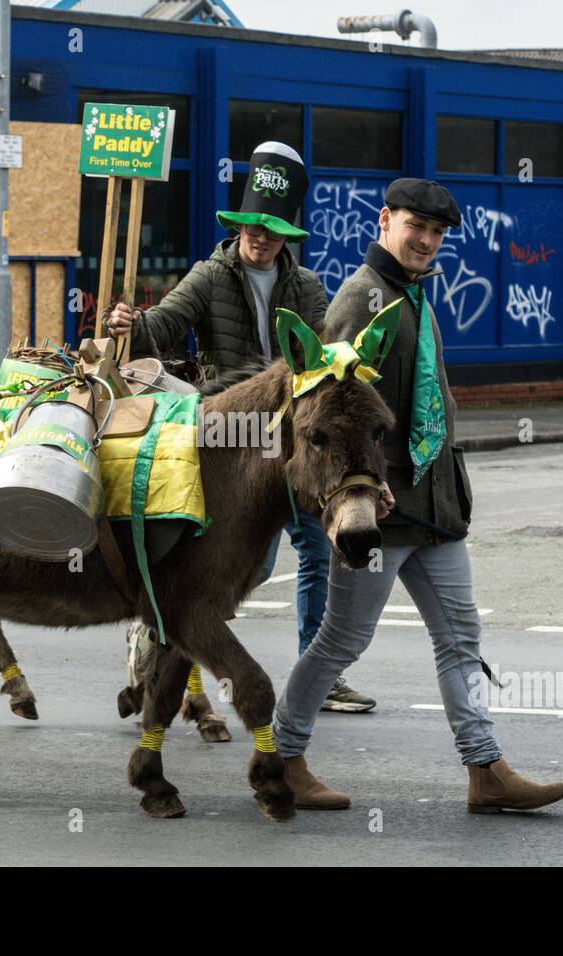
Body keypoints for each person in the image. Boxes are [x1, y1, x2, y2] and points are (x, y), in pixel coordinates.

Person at [272, 178, 563, 812]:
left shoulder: (414, 296)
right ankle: (282, 758)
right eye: (417, 227)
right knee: (341, 641)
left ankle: (485, 771)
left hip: (434, 512)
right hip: (380, 516)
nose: (428, 241)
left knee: (462, 636)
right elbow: (335, 411)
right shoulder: (362, 299)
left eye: (437, 234)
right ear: (386, 221)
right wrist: (361, 490)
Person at [106, 141, 375, 712]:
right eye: (253, 226)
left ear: (286, 235)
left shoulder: (305, 288)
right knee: (234, 562)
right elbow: (166, 325)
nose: (260, 237)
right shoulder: (211, 275)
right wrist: (132, 321)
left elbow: (323, 361)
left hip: (290, 440)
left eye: (272, 229)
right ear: (241, 225)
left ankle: (317, 672)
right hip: (226, 439)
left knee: (317, 547)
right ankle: (164, 632)